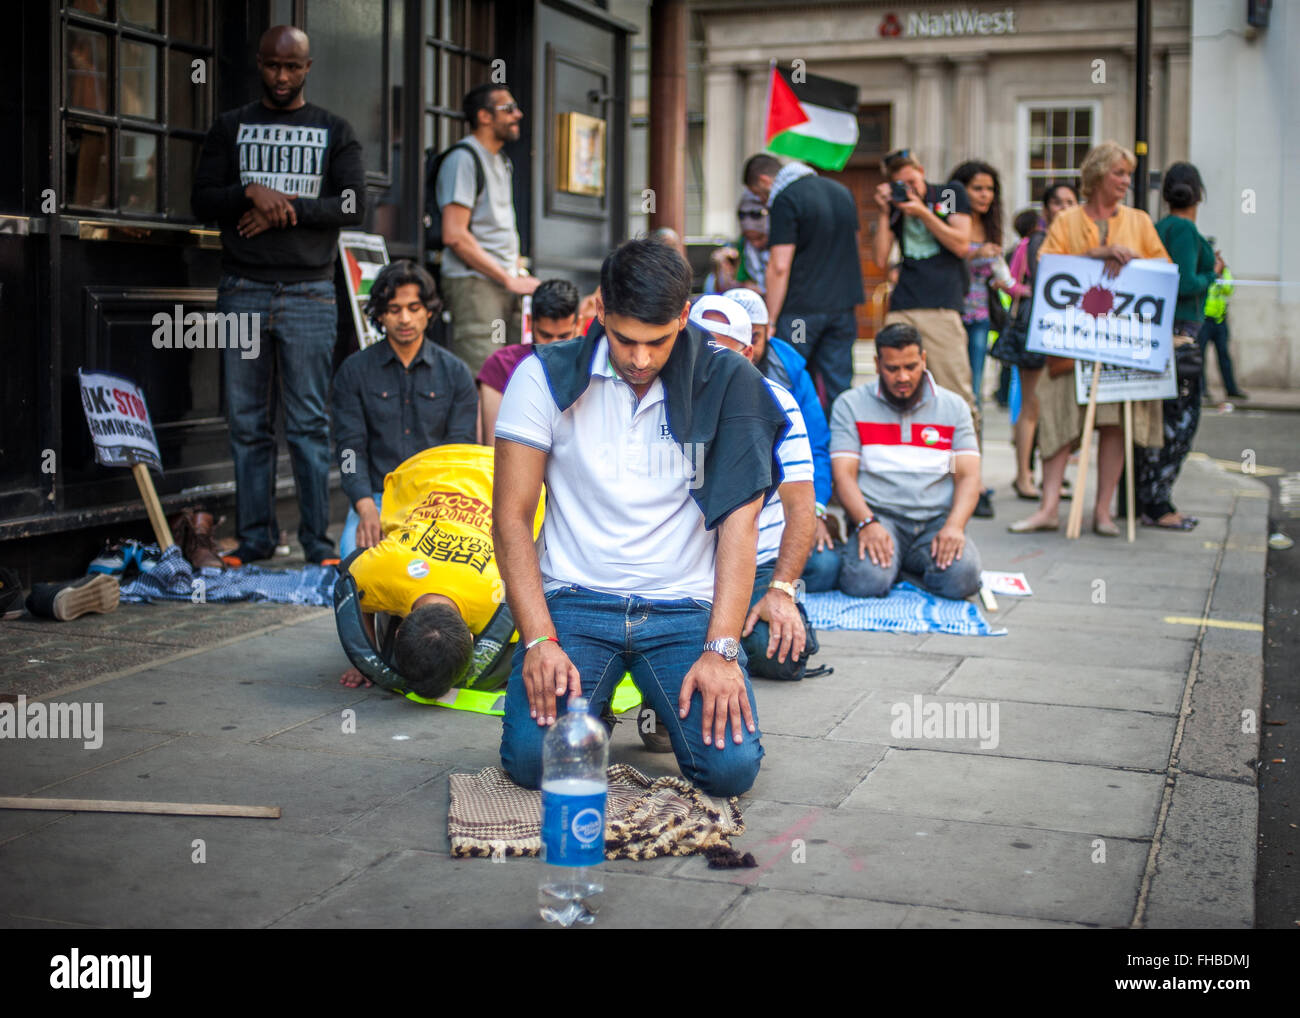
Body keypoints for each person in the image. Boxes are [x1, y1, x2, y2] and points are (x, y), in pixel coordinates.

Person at [493, 238, 788, 797]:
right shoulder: (541, 377)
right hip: (575, 602)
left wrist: (722, 649)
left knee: (729, 772)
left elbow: (739, 527)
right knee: (535, 765)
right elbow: (510, 518)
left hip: (683, 608)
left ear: (684, 316)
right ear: (598, 310)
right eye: (625, 339)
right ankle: (594, 708)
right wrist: (537, 640)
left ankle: (652, 703)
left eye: (658, 342)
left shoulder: (730, 381)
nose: (639, 359)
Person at [192, 25, 365, 566]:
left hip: (312, 292)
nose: (282, 76)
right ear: (259, 64)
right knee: (246, 423)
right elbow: (201, 200)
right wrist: (249, 191)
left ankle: (317, 543)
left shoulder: (335, 130)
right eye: (272, 66)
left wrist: (283, 206)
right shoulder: (229, 126)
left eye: (292, 67)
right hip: (242, 289)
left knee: (310, 424)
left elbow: (353, 203)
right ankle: (256, 539)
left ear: (308, 67)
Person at [1009, 142, 1170, 537]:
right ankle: (1048, 508)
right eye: (1119, 173)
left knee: (1114, 424)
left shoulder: (1139, 220)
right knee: (1059, 419)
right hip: (1069, 343)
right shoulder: (1066, 222)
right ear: (1098, 175)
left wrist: (1134, 259)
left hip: (1118, 345)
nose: (1125, 182)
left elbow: (1164, 268)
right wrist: (1097, 253)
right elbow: (1046, 264)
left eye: (1128, 175)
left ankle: (1102, 512)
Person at [336, 443, 543, 697]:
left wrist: (369, 654)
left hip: (497, 469)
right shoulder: (382, 569)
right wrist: (364, 659)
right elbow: (351, 584)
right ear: (469, 637)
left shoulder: (501, 596)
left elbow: (353, 590)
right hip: (425, 466)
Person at [688, 295, 818, 680]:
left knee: (779, 655)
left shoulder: (778, 404)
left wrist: (781, 589)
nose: (706, 363)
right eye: (698, 348)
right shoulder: (665, 398)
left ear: (746, 354)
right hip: (681, 563)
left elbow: (801, 507)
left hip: (754, 561)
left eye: (720, 352)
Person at [331, 261, 478, 558]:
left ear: (429, 310)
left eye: (414, 307)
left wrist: (435, 511)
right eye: (394, 309)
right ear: (381, 315)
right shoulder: (354, 371)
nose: (405, 319)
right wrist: (365, 507)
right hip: (376, 498)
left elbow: (459, 453)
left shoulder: (456, 373)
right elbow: (349, 452)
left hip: (438, 501)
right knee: (354, 568)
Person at [830, 323, 982, 600]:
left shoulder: (954, 407)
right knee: (865, 582)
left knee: (963, 578)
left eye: (911, 366)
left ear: (924, 360)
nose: (903, 377)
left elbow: (969, 476)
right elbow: (843, 476)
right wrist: (867, 523)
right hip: (880, 517)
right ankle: (897, 566)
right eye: (892, 369)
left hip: (937, 520)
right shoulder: (849, 404)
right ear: (877, 364)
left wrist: (954, 527)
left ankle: (901, 567)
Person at [721, 286, 840, 592]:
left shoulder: (791, 372)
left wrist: (814, 511)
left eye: (754, 337)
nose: (744, 346)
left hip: (783, 507)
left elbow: (817, 447)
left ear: (769, 331)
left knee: (824, 567)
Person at [743, 153, 864, 409]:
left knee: (788, 380)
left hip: (801, 313)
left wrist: (771, 319)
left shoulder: (786, 198)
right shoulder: (842, 192)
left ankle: (791, 444)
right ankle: (839, 446)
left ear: (765, 180)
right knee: (838, 387)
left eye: (758, 193)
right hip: (842, 309)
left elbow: (779, 265)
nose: (763, 200)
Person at [871, 150, 978, 438]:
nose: (910, 188)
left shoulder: (948, 194)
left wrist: (922, 212)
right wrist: (884, 212)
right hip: (904, 302)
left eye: (913, 180)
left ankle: (968, 470)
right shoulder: (895, 206)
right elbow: (880, 259)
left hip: (942, 305)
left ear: (921, 170)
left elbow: (960, 244)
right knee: (894, 384)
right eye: (901, 184)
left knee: (955, 387)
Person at [436, 82, 540, 374]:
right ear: (484, 116)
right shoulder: (463, 159)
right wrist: (508, 279)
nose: (518, 115)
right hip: (475, 284)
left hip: (502, 282)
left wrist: (514, 271)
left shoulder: (502, 161)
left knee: (508, 372)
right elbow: (454, 235)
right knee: (483, 374)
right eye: (508, 109)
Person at [1140, 162, 1222, 530]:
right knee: (1181, 422)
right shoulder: (1185, 229)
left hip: (1158, 333)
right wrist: (1213, 273)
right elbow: (1184, 281)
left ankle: (1147, 499)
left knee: (1158, 419)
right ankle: (1158, 504)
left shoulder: (1159, 227)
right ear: (1199, 192)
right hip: (1181, 335)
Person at [998, 183, 1079, 500]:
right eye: (1057, 202)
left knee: (1054, 406)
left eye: (1070, 202)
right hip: (1036, 327)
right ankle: (1024, 476)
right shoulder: (1039, 242)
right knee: (1031, 405)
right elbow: (1025, 282)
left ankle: (1049, 477)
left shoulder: (1073, 241)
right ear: (1046, 209)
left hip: (1061, 329)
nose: (1063, 208)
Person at [476, 279, 581, 445]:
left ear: (578, 324)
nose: (554, 345)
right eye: (545, 335)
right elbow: (493, 447)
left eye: (563, 336)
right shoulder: (501, 365)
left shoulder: (589, 367)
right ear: (530, 322)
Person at [704, 190, 770, 295]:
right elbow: (728, 285)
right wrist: (722, 266)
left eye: (759, 239)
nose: (755, 244)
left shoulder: (780, 246)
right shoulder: (744, 245)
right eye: (751, 239)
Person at [1200, 254, 1244, 401]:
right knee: (1200, 357)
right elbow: (1203, 286)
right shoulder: (1202, 268)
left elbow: (1228, 289)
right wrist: (1213, 273)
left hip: (1220, 320)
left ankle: (1231, 389)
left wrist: (1220, 271)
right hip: (1204, 319)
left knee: (1224, 356)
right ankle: (1202, 390)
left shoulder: (1224, 269)